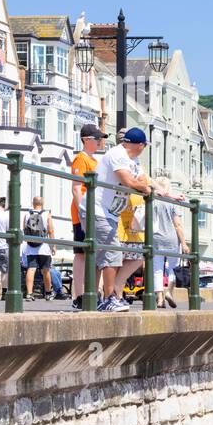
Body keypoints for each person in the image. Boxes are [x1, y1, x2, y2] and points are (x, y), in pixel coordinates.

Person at [94, 127, 153, 312]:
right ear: (140, 145)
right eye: (144, 146)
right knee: (112, 254)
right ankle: (108, 299)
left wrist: (154, 189)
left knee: (102, 254)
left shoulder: (132, 160)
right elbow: (130, 182)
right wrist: (144, 188)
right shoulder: (118, 155)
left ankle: (96, 298)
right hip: (100, 210)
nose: (143, 149)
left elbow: (144, 179)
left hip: (110, 212)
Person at [70, 123, 104, 309]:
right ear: (86, 140)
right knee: (81, 254)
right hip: (83, 212)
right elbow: (76, 188)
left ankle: (89, 292)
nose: (100, 142)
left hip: (92, 211)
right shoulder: (81, 159)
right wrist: (84, 212)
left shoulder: (93, 161)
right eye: (96, 139)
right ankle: (79, 295)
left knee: (90, 253)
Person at [151, 176, 187, 309]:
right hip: (171, 239)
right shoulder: (172, 202)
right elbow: (177, 225)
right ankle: (169, 292)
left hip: (155, 238)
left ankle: (160, 299)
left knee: (157, 270)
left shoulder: (152, 201)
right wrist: (184, 243)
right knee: (173, 268)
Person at [22, 195, 57, 300]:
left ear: (33, 203)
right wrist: (53, 246)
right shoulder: (47, 214)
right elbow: (51, 231)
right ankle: (48, 293)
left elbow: (24, 229)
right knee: (46, 270)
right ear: (42, 203)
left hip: (30, 246)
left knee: (31, 269)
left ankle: (29, 293)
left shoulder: (27, 214)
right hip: (44, 247)